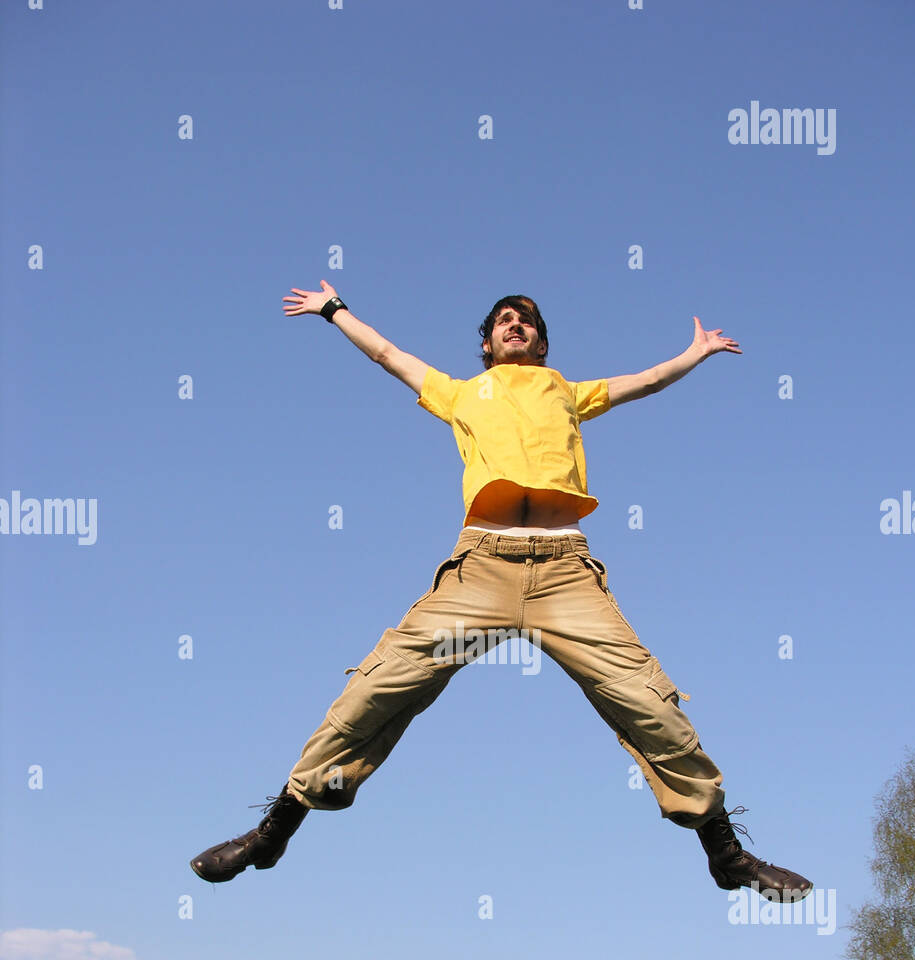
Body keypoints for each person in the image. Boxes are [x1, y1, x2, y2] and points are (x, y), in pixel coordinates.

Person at [190, 285, 812, 903]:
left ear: (541, 342)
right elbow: (386, 354)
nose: (516, 325)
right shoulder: (462, 392)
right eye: (504, 320)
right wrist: (334, 310)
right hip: (481, 569)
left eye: (528, 321)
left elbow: (645, 381)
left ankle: (725, 855)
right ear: (487, 343)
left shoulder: (565, 390)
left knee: (648, 701)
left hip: (566, 572)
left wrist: (693, 352)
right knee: (378, 686)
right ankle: (276, 829)